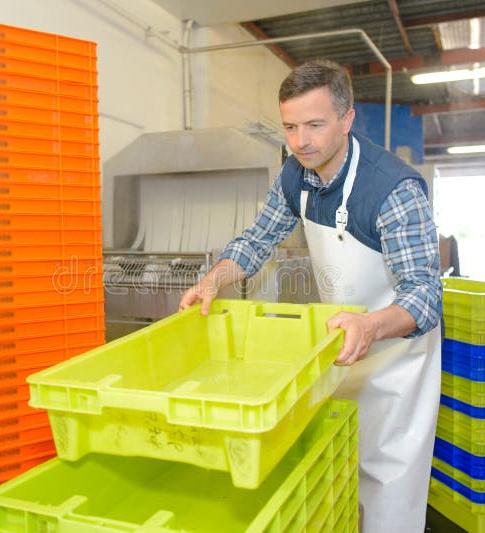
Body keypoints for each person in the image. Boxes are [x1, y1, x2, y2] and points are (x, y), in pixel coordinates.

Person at [179, 60, 442, 532]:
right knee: (336, 482)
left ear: (346, 119)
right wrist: (213, 280)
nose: (301, 141)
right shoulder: (295, 176)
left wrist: (369, 325)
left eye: (315, 125)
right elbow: (256, 240)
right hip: (340, 353)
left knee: (387, 495)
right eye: (291, 127)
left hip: (396, 365)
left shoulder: (393, 189)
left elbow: (424, 296)